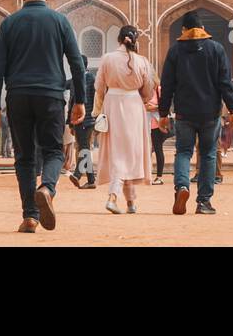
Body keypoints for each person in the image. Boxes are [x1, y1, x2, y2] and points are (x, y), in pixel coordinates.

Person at [0, 0, 87, 234]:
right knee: (53, 151)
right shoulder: (60, 21)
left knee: (25, 158)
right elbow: (76, 63)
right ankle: (47, 188)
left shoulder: (9, 23)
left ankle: (30, 216)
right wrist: (80, 100)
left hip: (18, 96)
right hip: (51, 95)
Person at [159, 11, 233, 216]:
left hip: (184, 113)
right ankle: (203, 202)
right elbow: (225, 82)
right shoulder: (217, 49)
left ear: (184, 30)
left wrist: (163, 113)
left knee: (184, 152)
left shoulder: (175, 51)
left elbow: (167, 85)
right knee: (208, 154)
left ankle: (182, 187)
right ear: (203, 29)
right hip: (210, 113)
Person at [94, 26, 155, 215]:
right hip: (133, 106)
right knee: (129, 152)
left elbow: (99, 87)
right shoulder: (142, 61)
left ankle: (130, 201)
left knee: (119, 151)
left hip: (112, 104)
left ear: (119, 39)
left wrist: (97, 112)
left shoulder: (107, 58)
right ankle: (113, 196)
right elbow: (148, 91)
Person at [69, 55, 98, 190]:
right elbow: (72, 101)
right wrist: (70, 122)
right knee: (84, 147)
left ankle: (77, 174)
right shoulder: (78, 79)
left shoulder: (90, 79)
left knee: (84, 147)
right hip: (79, 120)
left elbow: (96, 99)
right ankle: (91, 180)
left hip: (86, 119)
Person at [148, 81, 170, 185]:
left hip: (158, 124)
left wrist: (151, 107)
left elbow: (165, 105)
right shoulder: (144, 91)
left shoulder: (159, 90)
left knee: (158, 149)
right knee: (148, 150)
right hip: (147, 124)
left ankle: (159, 176)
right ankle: (147, 174)